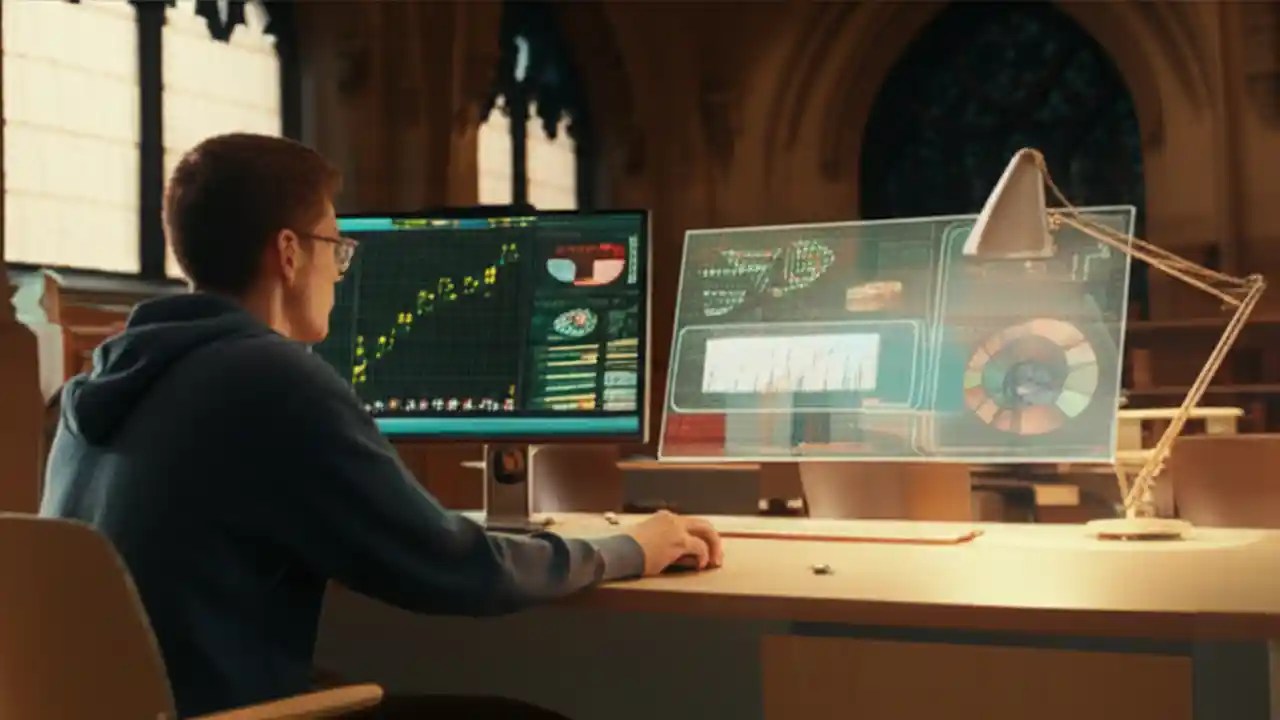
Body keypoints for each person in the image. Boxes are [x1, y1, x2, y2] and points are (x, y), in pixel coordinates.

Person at [39, 133, 723, 719]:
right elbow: (456, 570)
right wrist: (631, 548)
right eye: (336, 249)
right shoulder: (271, 381)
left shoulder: (96, 385)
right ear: (287, 253)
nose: (339, 272)